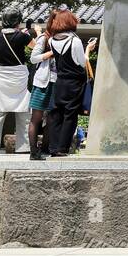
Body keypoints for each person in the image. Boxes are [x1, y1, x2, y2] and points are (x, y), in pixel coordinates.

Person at [0, 10, 32, 158]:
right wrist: (27, 33)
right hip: (19, 76)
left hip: (2, 74)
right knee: (24, 110)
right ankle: (24, 147)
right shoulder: (22, 36)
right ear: (18, 21)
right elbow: (34, 47)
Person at [46, 11, 95, 157]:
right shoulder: (75, 41)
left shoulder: (52, 40)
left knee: (56, 113)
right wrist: (88, 50)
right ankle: (62, 148)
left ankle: (53, 147)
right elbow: (81, 62)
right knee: (70, 114)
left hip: (59, 80)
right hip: (74, 82)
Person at [26, 14, 58, 160]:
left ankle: (45, 148)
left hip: (57, 81)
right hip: (42, 81)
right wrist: (51, 53)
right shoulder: (44, 38)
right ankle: (33, 151)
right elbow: (33, 58)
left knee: (52, 118)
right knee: (36, 117)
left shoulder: (66, 39)